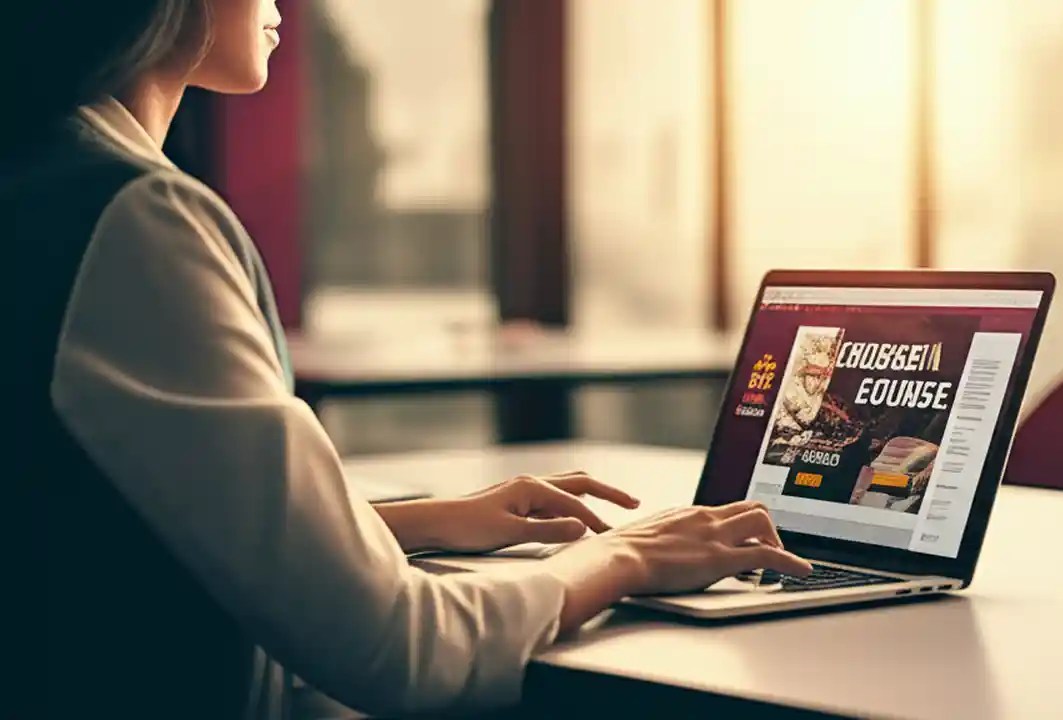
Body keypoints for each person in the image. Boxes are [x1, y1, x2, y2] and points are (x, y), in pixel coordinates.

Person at [5, 1, 810, 717]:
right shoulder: (134, 218)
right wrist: (628, 554)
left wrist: (428, 521)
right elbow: (397, 651)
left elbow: (110, 534)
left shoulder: (40, 179)